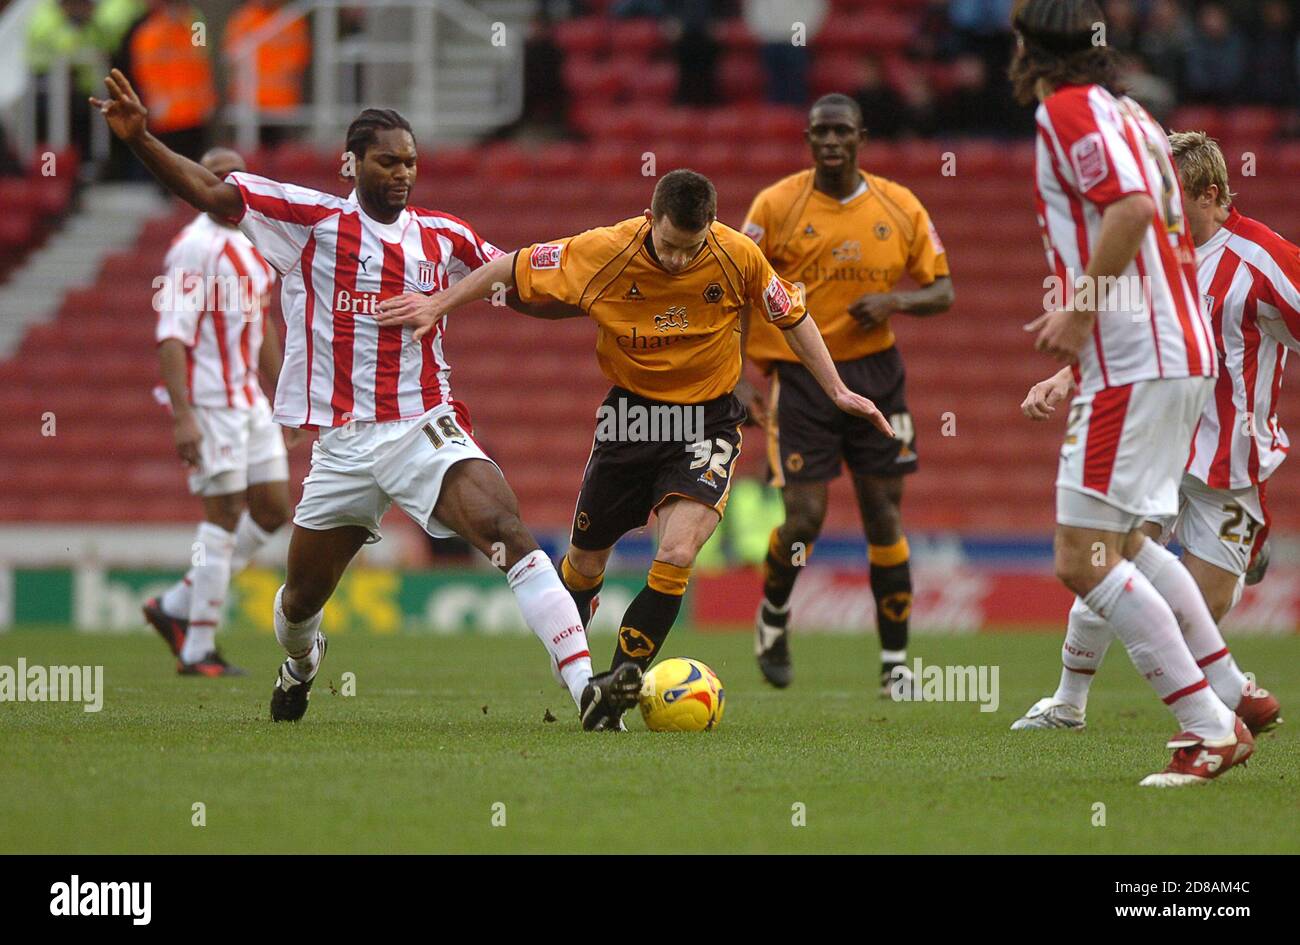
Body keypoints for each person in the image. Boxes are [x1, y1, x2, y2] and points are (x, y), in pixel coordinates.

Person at [92, 69, 602, 726]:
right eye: (387, 160)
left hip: (422, 427)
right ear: (350, 163)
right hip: (342, 447)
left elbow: (521, 285)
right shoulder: (311, 222)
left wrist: (598, 299)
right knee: (299, 604)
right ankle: (301, 662)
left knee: (508, 531)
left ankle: (587, 689)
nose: (403, 173)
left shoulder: (443, 236)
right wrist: (142, 141)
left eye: (411, 161)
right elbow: (214, 193)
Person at [376, 169, 895, 730]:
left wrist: (838, 390)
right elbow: (511, 266)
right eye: (669, 246)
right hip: (630, 418)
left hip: (708, 421)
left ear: (711, 229)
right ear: (651, 221)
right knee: (584, 564)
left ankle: (616, 689)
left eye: (690, 248)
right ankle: (579, 656)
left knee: (676, 553)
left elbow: (790, 315)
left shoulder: (739, 255)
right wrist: (440, 304)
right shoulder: (605, 248)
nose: (676, 260)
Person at [1013, 0, 1251, 786]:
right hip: (1179, 348)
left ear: (1032, 48)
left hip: (1136, 354)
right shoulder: (1135, 113)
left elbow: (1133, 208)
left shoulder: (1068, 111)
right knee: (1134, 542)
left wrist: (1080, 313)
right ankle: (1225, 689)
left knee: (1082, 556)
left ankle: (1206, 726)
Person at [1013, 131, 1287, 737]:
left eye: (1171, 196)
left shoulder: (1262, 260)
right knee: (1100, 560)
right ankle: (1068, 703)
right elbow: (1127, 333)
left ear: (1211, 194)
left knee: (1197, 614)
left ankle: (1212, 709)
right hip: (1157, 441)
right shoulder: (1155, 255)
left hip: (1229, 467)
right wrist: (1065, 378)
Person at [742, 93, 953, 695]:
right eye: (819, 133)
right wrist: (736, 378)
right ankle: (774, 615)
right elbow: (733, 284)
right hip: (802, 378)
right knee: (805, 520)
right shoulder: (776, 205)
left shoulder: (899, 205)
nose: (830, 142)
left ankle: (895, 666)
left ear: (862, 135)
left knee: (884, 515)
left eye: (841, 131)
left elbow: (942, 290)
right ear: (808, 140)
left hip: (876, 374)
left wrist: (894, 301)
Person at [142, 147, 294, 677]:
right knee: (224, 514)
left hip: (250, 402)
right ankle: (198, 645)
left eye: (234, 176)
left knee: (274, 509)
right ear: (197, 179)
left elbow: (264, 328)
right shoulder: (192, 248)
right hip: (209, 401)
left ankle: (178, 603)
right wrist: (183, 414)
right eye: (213, 174)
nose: (224, 182)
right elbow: (171, 335)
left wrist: (284, 395)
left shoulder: (255, 242)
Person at [127, 1, 215, 161]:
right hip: (167, 116)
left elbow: (202, 59)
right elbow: (144, 73)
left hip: (194, 113)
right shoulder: (149, 33)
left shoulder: (194, 27)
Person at [223, 0, 311, 146]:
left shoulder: (293, 19)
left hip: (283, 105)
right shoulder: (243, 19)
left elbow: (300, 63)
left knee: (281, 155)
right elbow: (232, 60)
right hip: (250, 104)